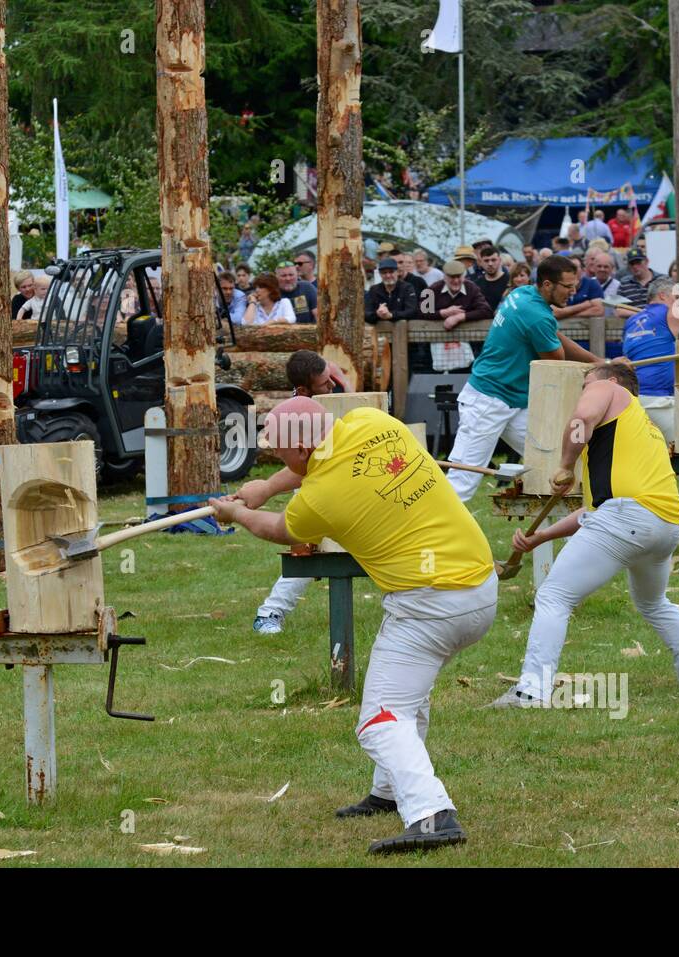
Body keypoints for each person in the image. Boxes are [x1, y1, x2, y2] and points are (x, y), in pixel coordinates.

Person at [212, 398, 499, 853]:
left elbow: (280, 529)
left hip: (430, 604)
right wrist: (266, 486)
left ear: (302, 448)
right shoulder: (373, 422)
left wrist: (238, 514)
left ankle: (431, 813)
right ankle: (389, 792)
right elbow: (314, 466)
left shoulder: (319, 500)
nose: (275, 458)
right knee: (408, 698)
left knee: (379, 720)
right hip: (479, 586)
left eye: (278, 452)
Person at [487, 363, 679, 708]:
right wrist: (542, 537)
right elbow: (595, 513)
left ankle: (530, 693)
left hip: (628, 519)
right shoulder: (637, 431)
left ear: (611, 383)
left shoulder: (610, 389)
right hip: (664, 525)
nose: (584, 392)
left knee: (554, 597)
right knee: (654, 604)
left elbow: (580, 420)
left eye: (586, 385)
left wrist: (565, 464)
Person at [444, 255, 605, 502]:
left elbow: (554, 336)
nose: (573, 292)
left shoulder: (523, 294)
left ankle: (563, 526)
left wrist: (599, 363)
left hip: (515, 401)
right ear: (548, 284)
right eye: (568, 287)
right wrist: (602, 373)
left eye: (575, 286)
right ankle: (425, 538)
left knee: (552, 457)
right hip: (487, 402)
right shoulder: (537, 316)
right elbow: (557, 367)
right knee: (461, 483)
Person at [245, 352, 349, 635]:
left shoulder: (334, 394)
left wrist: (343, 381)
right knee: (304, 548)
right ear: (304, 390)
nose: (332, 387)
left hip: (352, 488)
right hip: (315, 486)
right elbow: (303, 470)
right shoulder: (294, 417)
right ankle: (270, 613)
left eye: (331, 380)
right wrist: (265, 489)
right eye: (325, 384)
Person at [620, 277, 679, 443]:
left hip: (632, 397)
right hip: (657, 400)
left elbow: (653, 341)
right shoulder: (671, 312)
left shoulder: (632, 321)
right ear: (662, 295)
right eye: (676, 298)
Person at [364, 258, 419, 325]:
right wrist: (377, 314)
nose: (388, 275)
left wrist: (391, 315)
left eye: (391, 272)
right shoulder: (374, 290)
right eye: (384, 273)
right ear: (380, 274)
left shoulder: (407, 288)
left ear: (397, 272)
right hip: (380, 332)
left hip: (402, 331)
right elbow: (366, 313)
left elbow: (412, 311)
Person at [472, 246, 510, 310]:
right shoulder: (476, 285)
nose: (490, 264)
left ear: (500, 260)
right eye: (486, 261)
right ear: (481, 262)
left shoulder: (510, 281)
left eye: (493, 260)